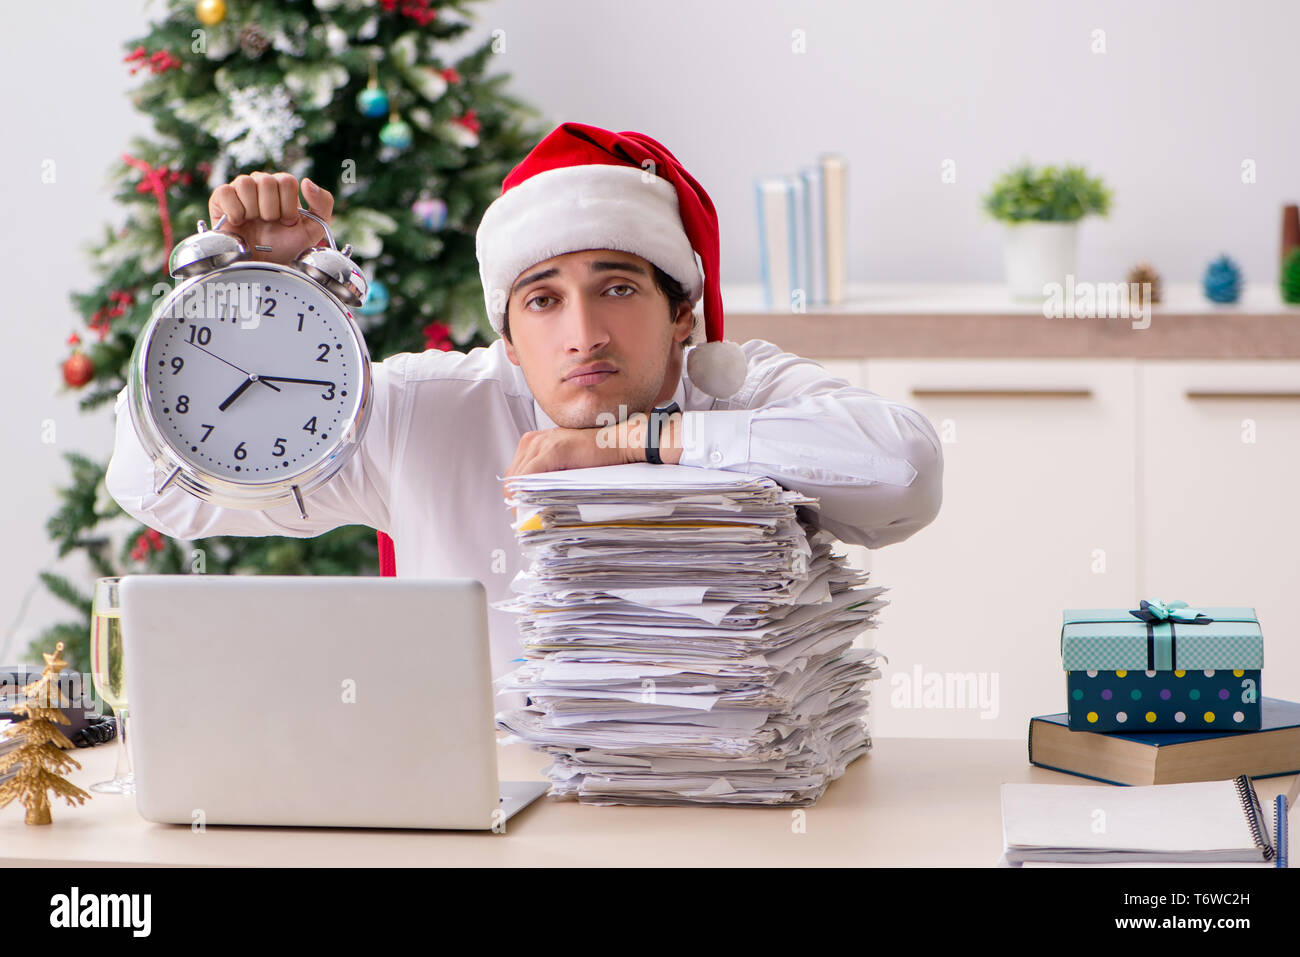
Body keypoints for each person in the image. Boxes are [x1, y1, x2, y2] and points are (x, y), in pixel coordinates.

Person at [106, 121, 944, 707]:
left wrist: (642, 444)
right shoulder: (421, 412)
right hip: (486, 817)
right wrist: (242, 299)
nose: (584, 333)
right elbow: (160, 492)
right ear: (507, 336)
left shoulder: (738, 386)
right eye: (543, 301)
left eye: (617, 287)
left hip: (718, 807)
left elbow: (904, 471)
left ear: (681, 311)